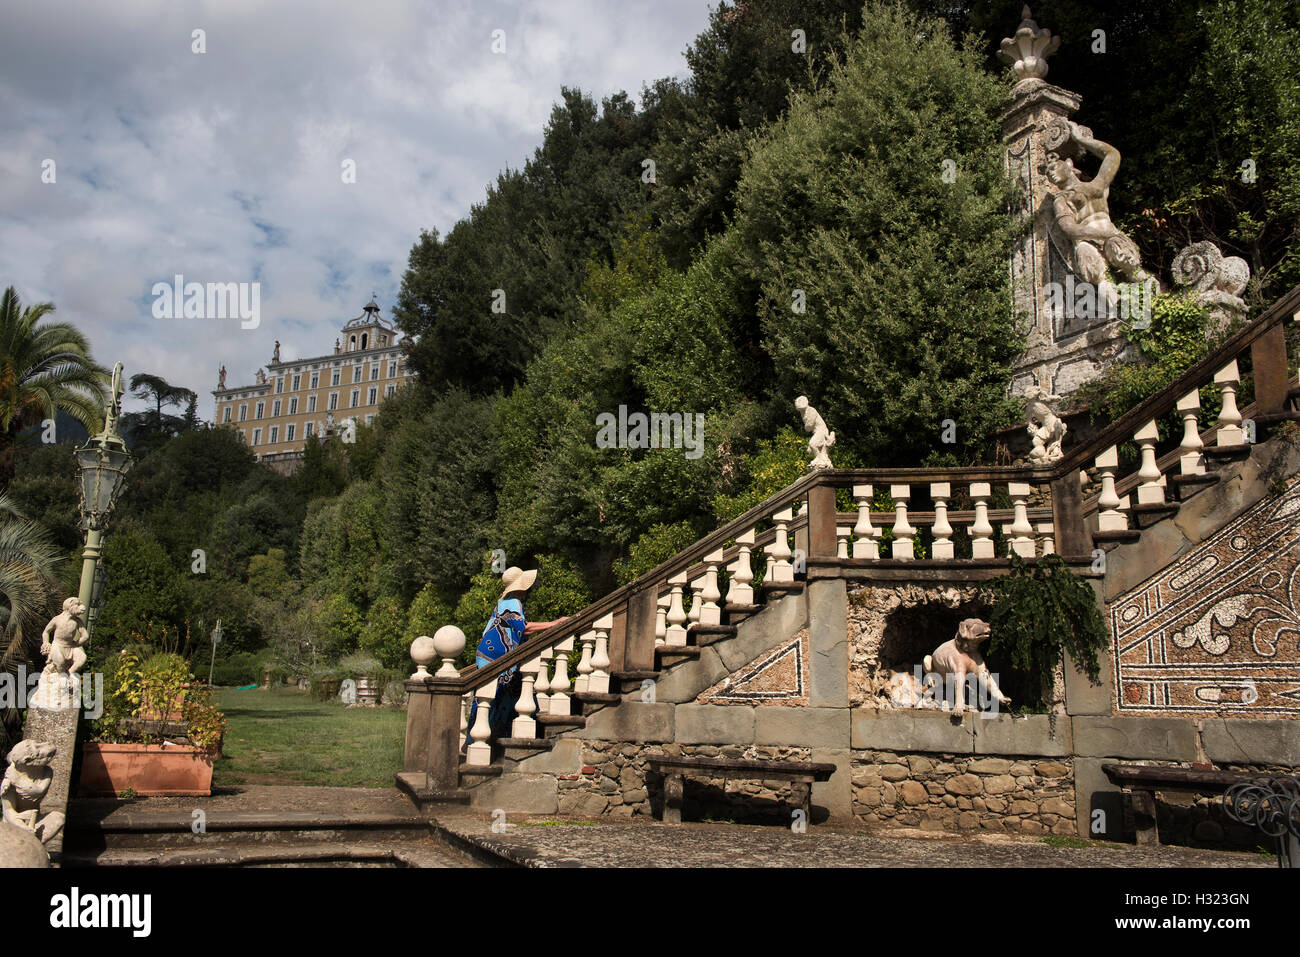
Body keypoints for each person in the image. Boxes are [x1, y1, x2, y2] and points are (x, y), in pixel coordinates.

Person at [465, 566, 568, 745]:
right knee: (493, 695)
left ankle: (485, 740)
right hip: (496, 655)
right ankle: (477, 741)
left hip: (491, 653)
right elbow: (524, 627)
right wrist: (554, 623)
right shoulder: (513, 603)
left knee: (504, 694)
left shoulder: (503, 603)